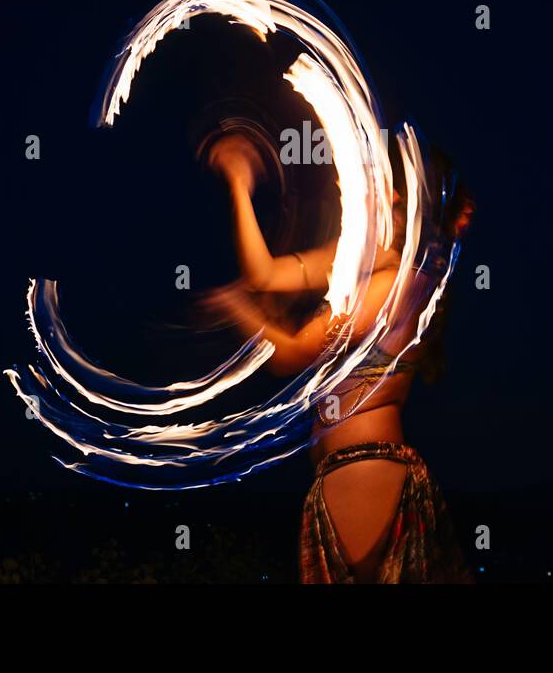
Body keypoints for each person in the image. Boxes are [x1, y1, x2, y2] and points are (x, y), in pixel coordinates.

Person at [200, 132, 474, 583]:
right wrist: (238, 184)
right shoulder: (355, 266)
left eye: (359, 179)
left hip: (365, 466)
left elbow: (289, 354)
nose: (345, 187)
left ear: (390, 196)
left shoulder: (393, 286)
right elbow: (263, 274)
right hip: (343, 469)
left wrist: (233, 308)